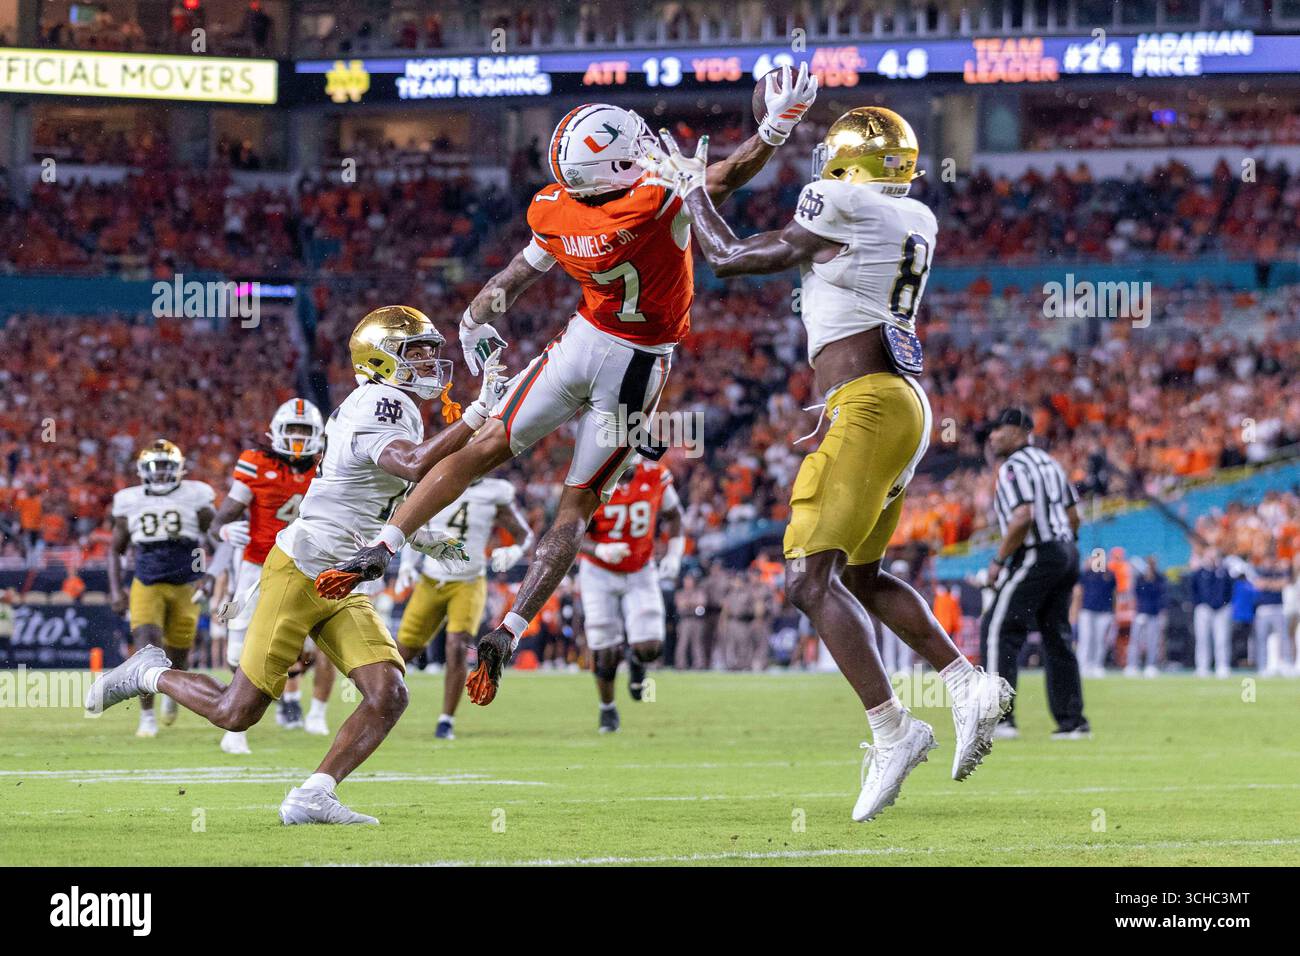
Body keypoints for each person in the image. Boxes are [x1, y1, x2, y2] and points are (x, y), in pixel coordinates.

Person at [318, 70, 820, 710]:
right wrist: (774, 128)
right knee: (575, 509)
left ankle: (381, 545)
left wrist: (474, 316)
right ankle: (510, 627)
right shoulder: (654, 200)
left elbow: (515, 276)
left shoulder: (554, 208)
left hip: (580, 341)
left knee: (481, 448)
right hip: (638, 363)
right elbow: (725, 177)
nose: (644, 151)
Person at [642, 103, 1012, 821]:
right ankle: (967, 685)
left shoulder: (840, 199)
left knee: (806, 582)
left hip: (868, 401)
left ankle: (893, 729)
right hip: (901, 399)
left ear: (846, 165)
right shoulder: (917, 218)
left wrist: (692, 189)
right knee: (862, 578)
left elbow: (733, 258)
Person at [88, 306, 504, 825]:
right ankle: (149, 672)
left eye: (430, 350)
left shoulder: (395, 402)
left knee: (388, 692)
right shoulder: (380, 400)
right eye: (415, 351)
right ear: (380, 359)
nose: (428, 361)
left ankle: (313, 795)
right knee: (235, 712)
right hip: (304, 567)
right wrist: (477, 413)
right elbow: (413, 464)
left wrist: (422, 536)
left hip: (343, 575)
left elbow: (368, 495)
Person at [202, 397, 333, 754]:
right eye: (291, 429)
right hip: (257, 565)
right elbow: (219, 522)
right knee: (237, 642)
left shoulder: (328, 466)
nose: (297, 437)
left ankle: (311, 710)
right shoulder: (255, 463)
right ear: (275, 431)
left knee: (316, 644)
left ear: (319, 434)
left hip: (312, 565)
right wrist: (224, 533)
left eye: (304, 430)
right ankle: (235, 726)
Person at [393, 478, 534, 740]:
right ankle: (378, 704)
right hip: (430, 578)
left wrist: (516, 550)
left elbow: (526, 535)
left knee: (457, 646)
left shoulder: (494, 491)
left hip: (469, 582)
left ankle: (446, 720)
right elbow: (415, 523)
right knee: (403, 649)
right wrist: (407, 564)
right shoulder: (440, 478)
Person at [981, 408, 1091, 740]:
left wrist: (1000, 560)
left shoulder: (1014, 467)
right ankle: (1072, 722)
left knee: (997, 627)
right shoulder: (1051, 463)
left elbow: (1022, 517)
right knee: (1056, 635)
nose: (992, 436)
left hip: (1037, 552)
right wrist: (1065, 547)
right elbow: (1074, 515)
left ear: (1018, 431)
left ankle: (999, 719)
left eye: (998, 428)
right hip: (1065, 552)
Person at [106, 440, 215, 738]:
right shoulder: (129, 500)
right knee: (147, 649)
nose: (162, 473)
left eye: (167, 467)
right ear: (144, 470)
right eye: (156, 467)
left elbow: (216, 536)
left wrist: (212, 573)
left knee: (179, 654)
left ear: (179, 468)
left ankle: (171, 693)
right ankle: (146, 716)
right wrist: (116, 590)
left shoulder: (196, 495)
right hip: (147, 582)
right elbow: (115, 549)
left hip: (186, 584)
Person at [576, 457, 683, 732]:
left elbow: (674, 516)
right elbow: (568, 532)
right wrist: (598, 550)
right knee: (604, 650)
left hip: (640, 568)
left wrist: (674, 553)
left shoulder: (654, 475)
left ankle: (637, 663)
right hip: (598, 571)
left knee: (650, 647)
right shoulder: (591, 476)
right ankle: (608, 708)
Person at [1188, 548, 1233, 678]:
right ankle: (1202, 666)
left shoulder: (1223, 572)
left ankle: (1222, 666)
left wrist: (1225, 604)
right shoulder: (1199, 572)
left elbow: (1229, 590)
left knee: (1222, 639)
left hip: (1221, 610)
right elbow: (1193, 590)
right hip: (1204, 609)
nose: (1212, 559)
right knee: (1202, 639)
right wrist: (1199, 603)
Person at [1074, 557, 1116, 678]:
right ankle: (1083, 665)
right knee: (1086, 639)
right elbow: (1079, 592)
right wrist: (1075, 611)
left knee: (1100, 640)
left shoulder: (1109, 574)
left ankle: (1097, 665)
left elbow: (1114, 594)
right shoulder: (1087, 573)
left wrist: (1114, 612)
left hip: (1104, 611)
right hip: (1087, 610)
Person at [1127, 555, 1166, 678]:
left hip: (1153, 613)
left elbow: (1162, 596)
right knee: (1135, 640)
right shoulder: (1140, 578)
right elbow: (1136, 594)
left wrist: (1161, 612)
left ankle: (1151, 665)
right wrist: (1138, 610)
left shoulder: (1159, 578)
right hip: (1140, 613)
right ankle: (1132, 665)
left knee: (1152, 642)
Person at [673, 573, 708, 669]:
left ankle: (699, 665)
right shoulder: (680, 593)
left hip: (696, 620)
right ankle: (680, 664)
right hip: (685, 620)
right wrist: (693, 604)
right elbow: (680, 605)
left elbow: (702, 604)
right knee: (682, 643)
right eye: (686, 581)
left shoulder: (699, 592)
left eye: (690, 581)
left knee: (697, 644)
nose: (688, 583)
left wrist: (688, 604)